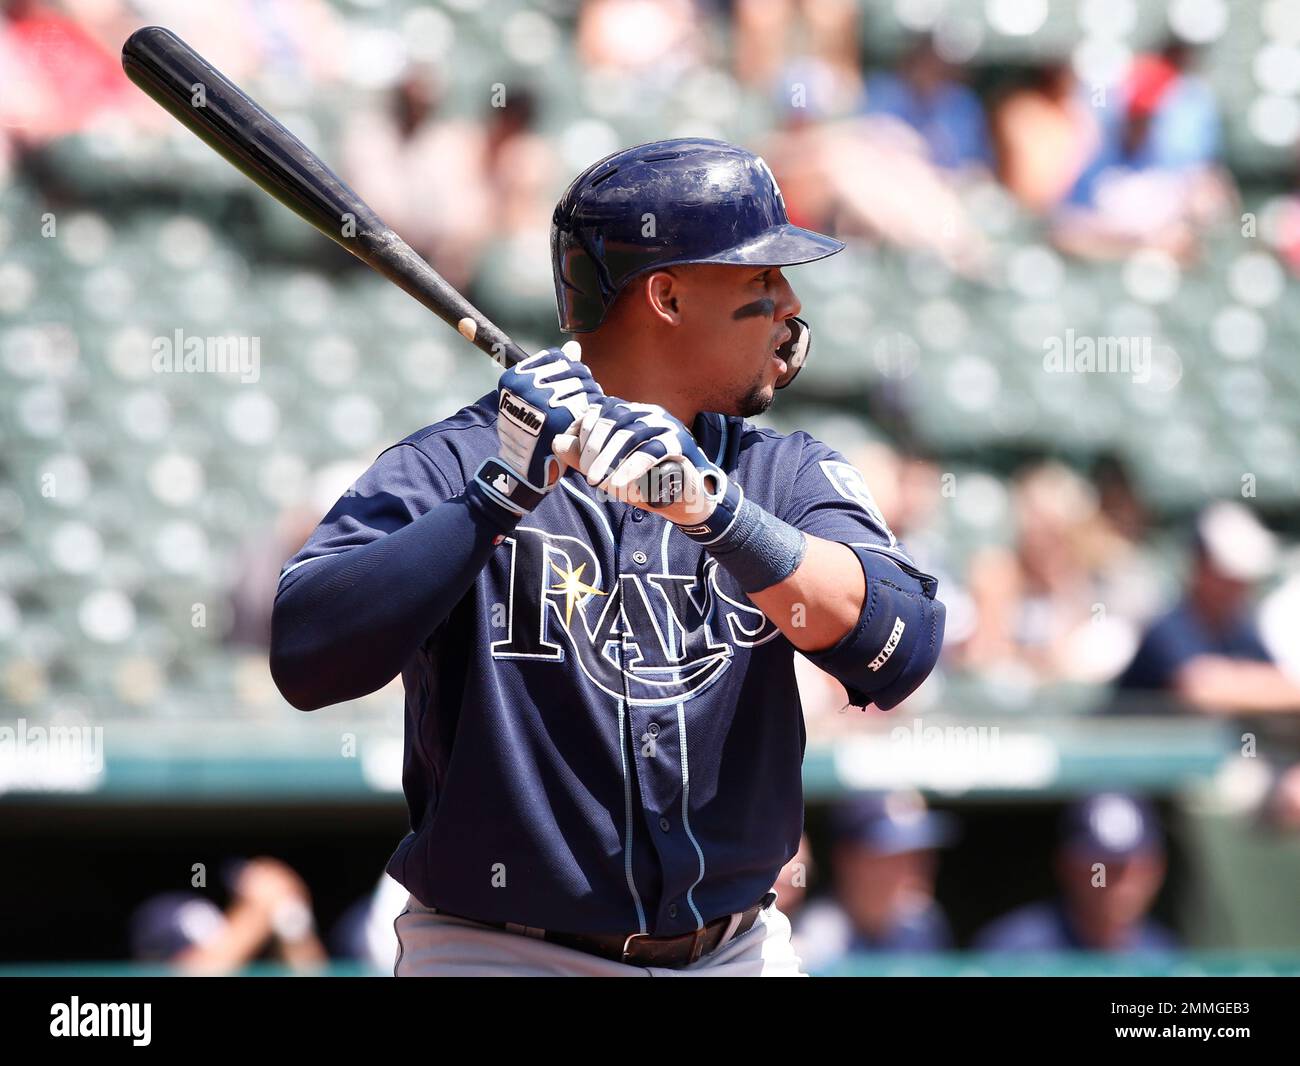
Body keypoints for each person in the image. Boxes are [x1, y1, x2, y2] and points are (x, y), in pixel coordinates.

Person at [269, 138, 946, 976]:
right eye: (760, 280)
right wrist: (496, 498)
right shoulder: (460, 463)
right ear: (665, 295)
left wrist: (718, 513)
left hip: (734, 952)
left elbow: (901, 645)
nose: (789, 301)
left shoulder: (778, 473)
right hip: (500, 956)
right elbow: (306, 657)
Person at [1116, 501, 1300, 715]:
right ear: (1200, 568)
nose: (1237, 587)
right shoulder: (1166, 631)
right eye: (1227, 576)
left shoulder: (1240, 631)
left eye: (1242, 578)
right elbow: (1200, 688)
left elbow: (1283, 682)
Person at [973, 793, 1176, 953]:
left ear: (1158, 868)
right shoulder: (1011, 949)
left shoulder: (1166, 954)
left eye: (1132, 866)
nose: (1119, 882)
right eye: (1100, 866)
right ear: (1067, 866)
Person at [795, 791, 955, 970]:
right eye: (894, 854)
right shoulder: (819, 935)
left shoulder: (924, 925)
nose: (915, 866)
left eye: (919, 853)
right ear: (848, 859)